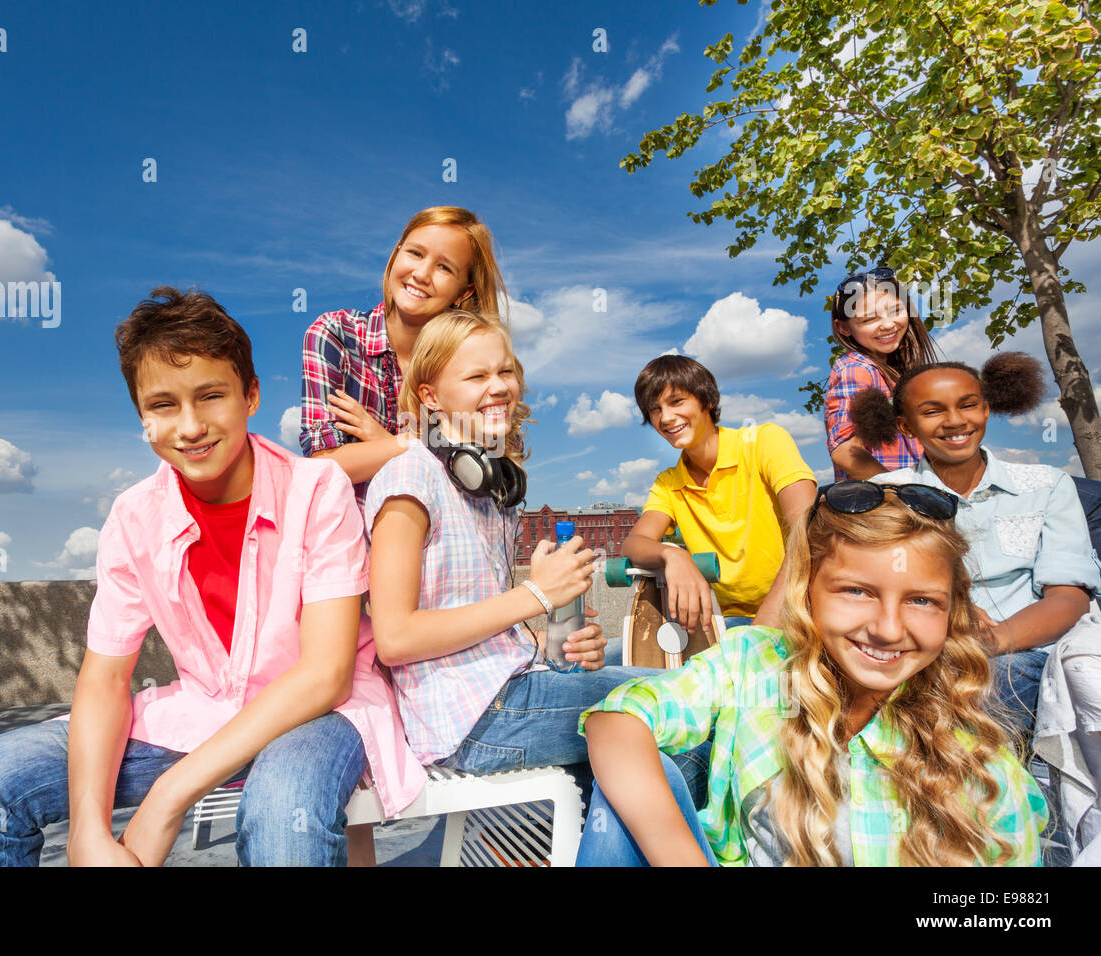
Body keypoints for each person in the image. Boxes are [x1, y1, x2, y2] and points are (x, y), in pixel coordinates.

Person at [0, 287, 423, 867]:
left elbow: (327, 674)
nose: (190, 426)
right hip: (205, 708)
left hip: (319, 714)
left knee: (283, 806)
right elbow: (105, 680)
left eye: (211, 396)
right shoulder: (134, 518)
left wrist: (168, 795)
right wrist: (89, 830)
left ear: (251, 396)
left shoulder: (318, 491)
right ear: (142, 416)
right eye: (162, 405)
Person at [576, 486, 1047, 866]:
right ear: (806, 592)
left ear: (953, 610)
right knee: (626, 792)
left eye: (921, 600)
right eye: (857, 591)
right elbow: (616, 719)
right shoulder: (755, 665)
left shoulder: (983, 773)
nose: (887, 629)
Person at [362, 310, 703, 796]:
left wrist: (547, 644)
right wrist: (537, 594)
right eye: (477, 375)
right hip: (476, 720)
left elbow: (470, 620)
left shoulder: (489, 490)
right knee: (685, 708)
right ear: (430, 396)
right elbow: (394, 638)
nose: (499, 386)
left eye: (505, 372)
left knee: (663, 701)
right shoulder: (409, 479)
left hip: (509, 690)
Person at [851, 352, 1101, 861]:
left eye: (968, 405)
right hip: (916, 650)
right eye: (933, 411)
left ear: (989, 408)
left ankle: (988, 839)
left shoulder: (1046, 486)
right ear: (904, 424)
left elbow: (1069, 594)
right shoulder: (884, 496)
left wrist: (996, 637)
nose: (955, 421)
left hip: (1021, 650)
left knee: (989, 688)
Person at [299, 206, 508, 504]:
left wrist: (382, 443)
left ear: (464, 292)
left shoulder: (474, 362)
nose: (421, 274)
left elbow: (481, 472)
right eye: (415, 253)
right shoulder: (335, 335)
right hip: (350, 541)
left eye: (444, 268)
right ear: (397, 253)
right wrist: (426, 443)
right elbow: (324, 465)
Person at [623, 355, 817, 634]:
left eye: (677, 402)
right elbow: (634, 544)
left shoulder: (763, 442)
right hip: (722, 624)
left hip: (794, 613)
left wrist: (762, 628)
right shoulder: (668, 482)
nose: (665, 417)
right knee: (612, 662)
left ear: (707, 401)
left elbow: (809, 529)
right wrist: (674, 556)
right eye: (655, 409)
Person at [824, 266, 938, 480]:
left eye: (895, 311)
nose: (887, 325)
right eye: (868, 319)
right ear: (844, 328)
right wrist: (901, 494)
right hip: (887, 508)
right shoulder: (856, 368)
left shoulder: (896, 372)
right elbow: (845, 451)